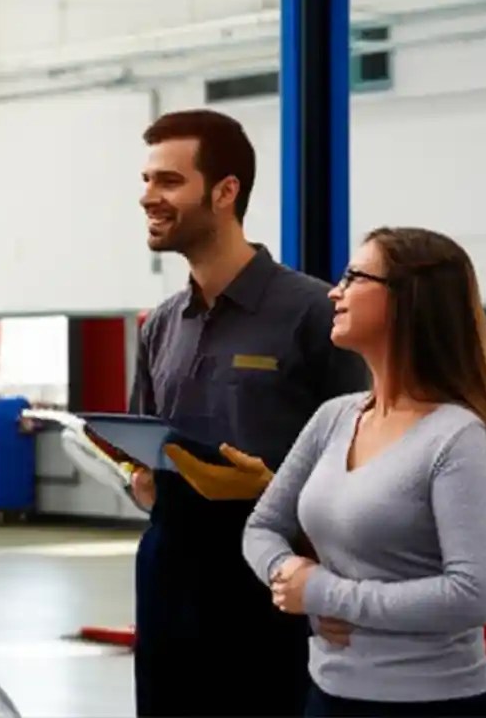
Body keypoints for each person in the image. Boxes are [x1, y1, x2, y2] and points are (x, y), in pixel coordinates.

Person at [128, 109, 368, 717]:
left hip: (269, 580)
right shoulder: (159, 326)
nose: (148, 197)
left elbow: (360, 463)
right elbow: (144, 457)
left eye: (168, 182)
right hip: (169, 571)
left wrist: (338, 585)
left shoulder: (314, 313)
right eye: (147, 180)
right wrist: (137, 479)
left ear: (226, 191)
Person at [241, 227, 486, 717]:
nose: (334, 290)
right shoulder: (335, 418)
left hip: (429, 704)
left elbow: (473, 596)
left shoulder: (456, 438)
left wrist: (328, 594)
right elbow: (262, 527)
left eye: (354, 277)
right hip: (328, 694)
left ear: (407, 300)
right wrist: (288, 574)